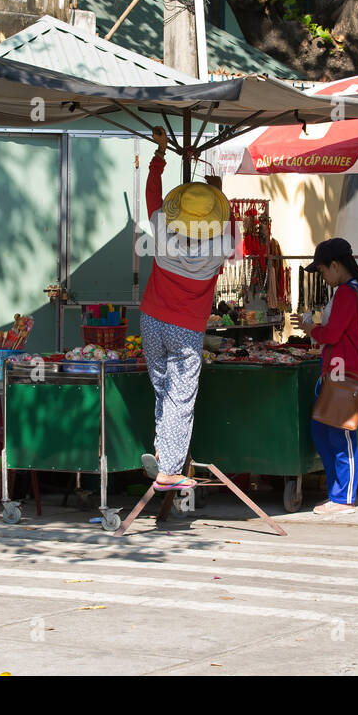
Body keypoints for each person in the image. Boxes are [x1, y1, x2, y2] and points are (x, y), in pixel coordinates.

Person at [138, 125, 235, 492]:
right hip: (185, 330)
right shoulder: (218, 248)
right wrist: (216, 188)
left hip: (151, 321)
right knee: (181, 396)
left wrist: (161, 156)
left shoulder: (163, 233)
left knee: (164, 390)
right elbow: (230, 225)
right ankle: (170, 471)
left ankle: (164, 452)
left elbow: (151, 194)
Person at [289, 238, 358, 515]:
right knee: (323, 430)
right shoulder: (353, 292)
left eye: (324, 270)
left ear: (336, 265)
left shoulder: (348, 293)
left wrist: (309, 329)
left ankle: (343, 498)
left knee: (340, 434)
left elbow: (331, 334)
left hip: (343, 371)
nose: (323, 277)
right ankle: (336, 492)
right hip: (339, 369)